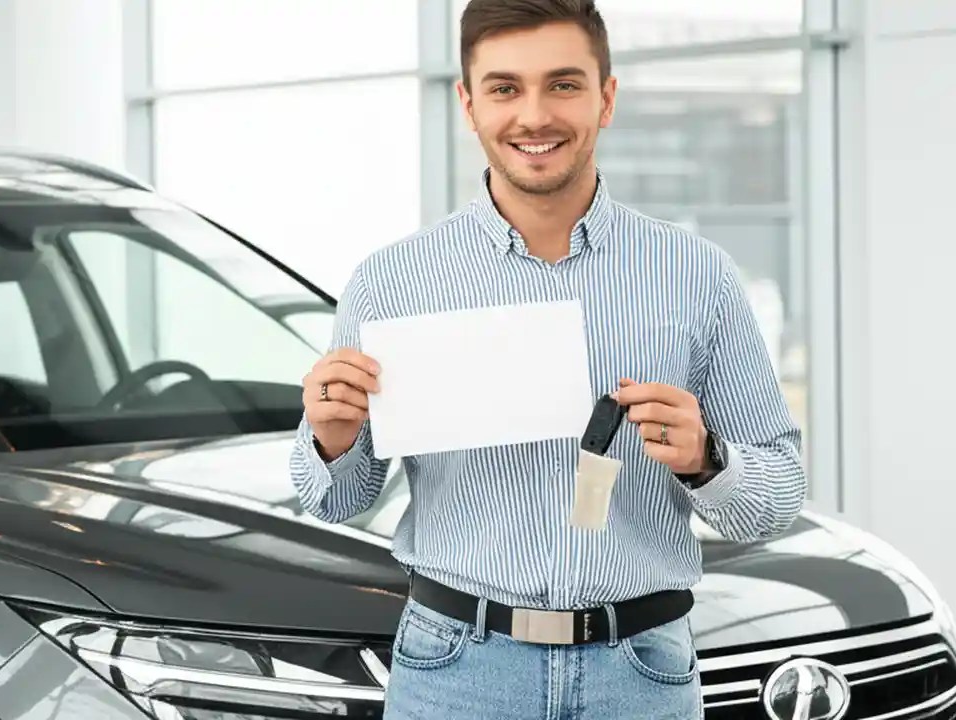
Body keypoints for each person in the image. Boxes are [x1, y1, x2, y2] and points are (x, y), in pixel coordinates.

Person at [287, 0, 807, 717]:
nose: (534, 116)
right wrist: (332, 438)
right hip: (455, 675)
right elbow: (336, 499)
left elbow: (777, 498)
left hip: (642, 676)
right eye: (505, 88)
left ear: (607, 97)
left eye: (563, 84)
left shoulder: (698, 275)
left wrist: (707, 458)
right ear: (469, 105)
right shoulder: (391, 282)